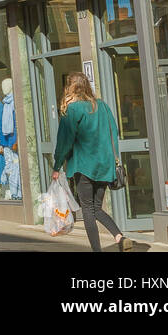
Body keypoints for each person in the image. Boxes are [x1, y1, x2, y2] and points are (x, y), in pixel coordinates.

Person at [52, 73, 135, 252]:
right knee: (96, 207)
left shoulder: (73, 109)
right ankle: (119, 237)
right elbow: (114, 131)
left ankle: (97, 250)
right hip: (104, 166)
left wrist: (57, 165)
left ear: (70, 88)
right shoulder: (102, 106)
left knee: (88, 209)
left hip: (84, 166)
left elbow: (64, 140)